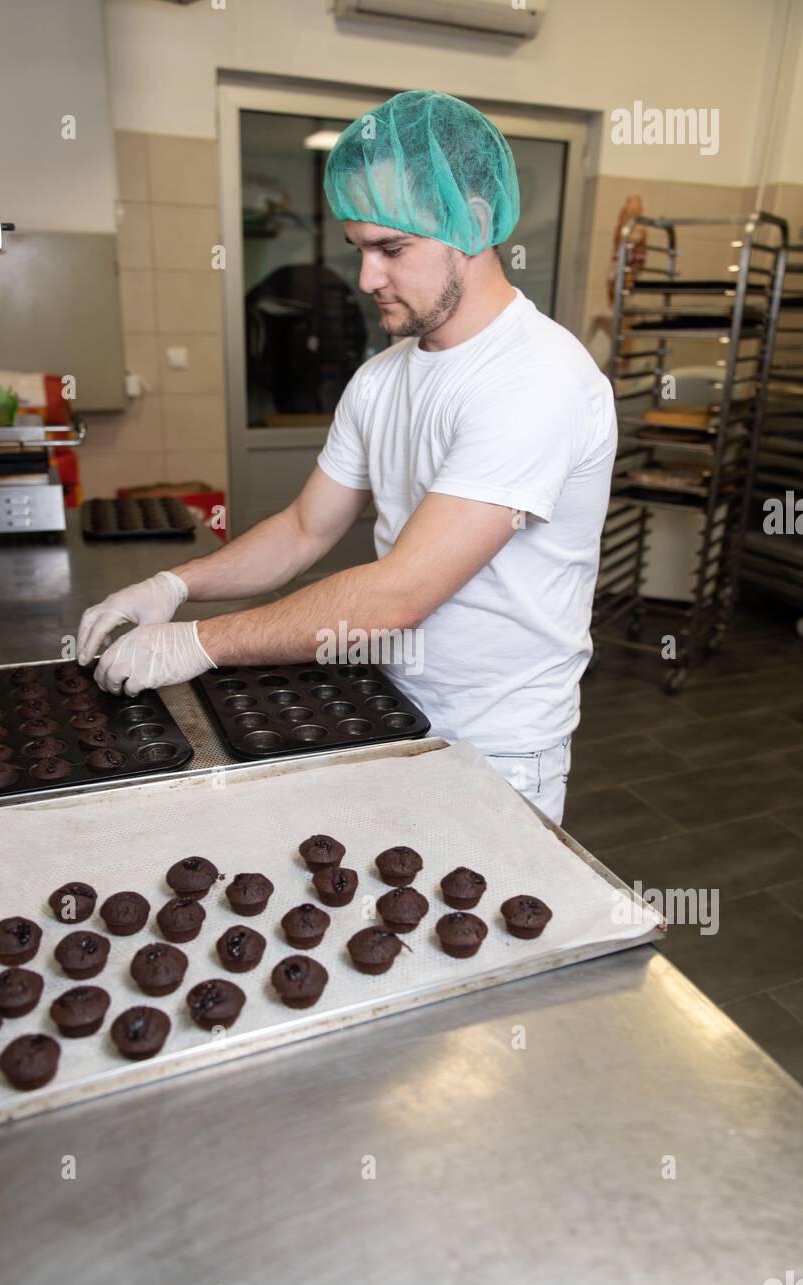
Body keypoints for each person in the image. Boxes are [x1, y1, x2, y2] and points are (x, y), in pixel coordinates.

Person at [76, 90, 617, 824]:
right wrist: (171, 585)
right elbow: (304, 528)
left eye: (392, 250)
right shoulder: (384, 376)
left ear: (475, 223)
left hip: (494, 745)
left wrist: (200, 643)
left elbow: (399, 594)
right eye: (360, 248)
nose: (367, 279)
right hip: (385, 708)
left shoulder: (535, 380)